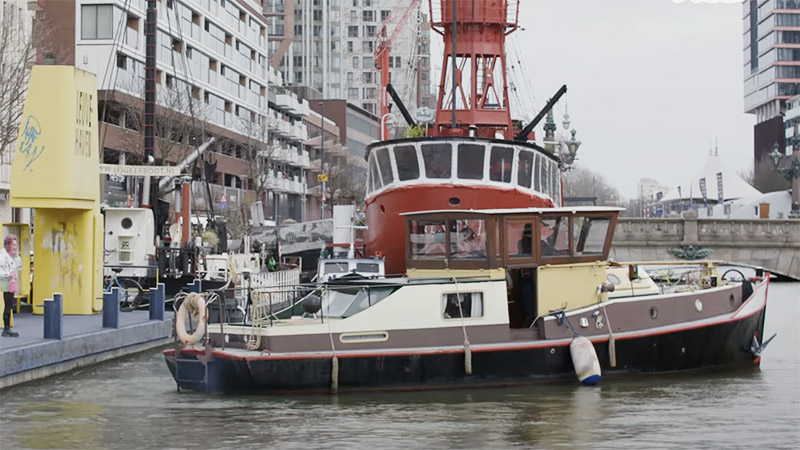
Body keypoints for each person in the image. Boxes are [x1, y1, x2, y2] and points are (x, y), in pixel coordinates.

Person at [0, 234, 22, 337]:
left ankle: (7, 328)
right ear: (8, 245)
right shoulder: (3, 256)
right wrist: (8, 275)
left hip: (11, 280)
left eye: (16, 245)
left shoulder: (13, 255)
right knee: (8, 305)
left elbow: (18, 266)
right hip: (6, 280)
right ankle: (6, 329)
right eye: (13, 245)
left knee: (9, 305)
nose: (15, 247)